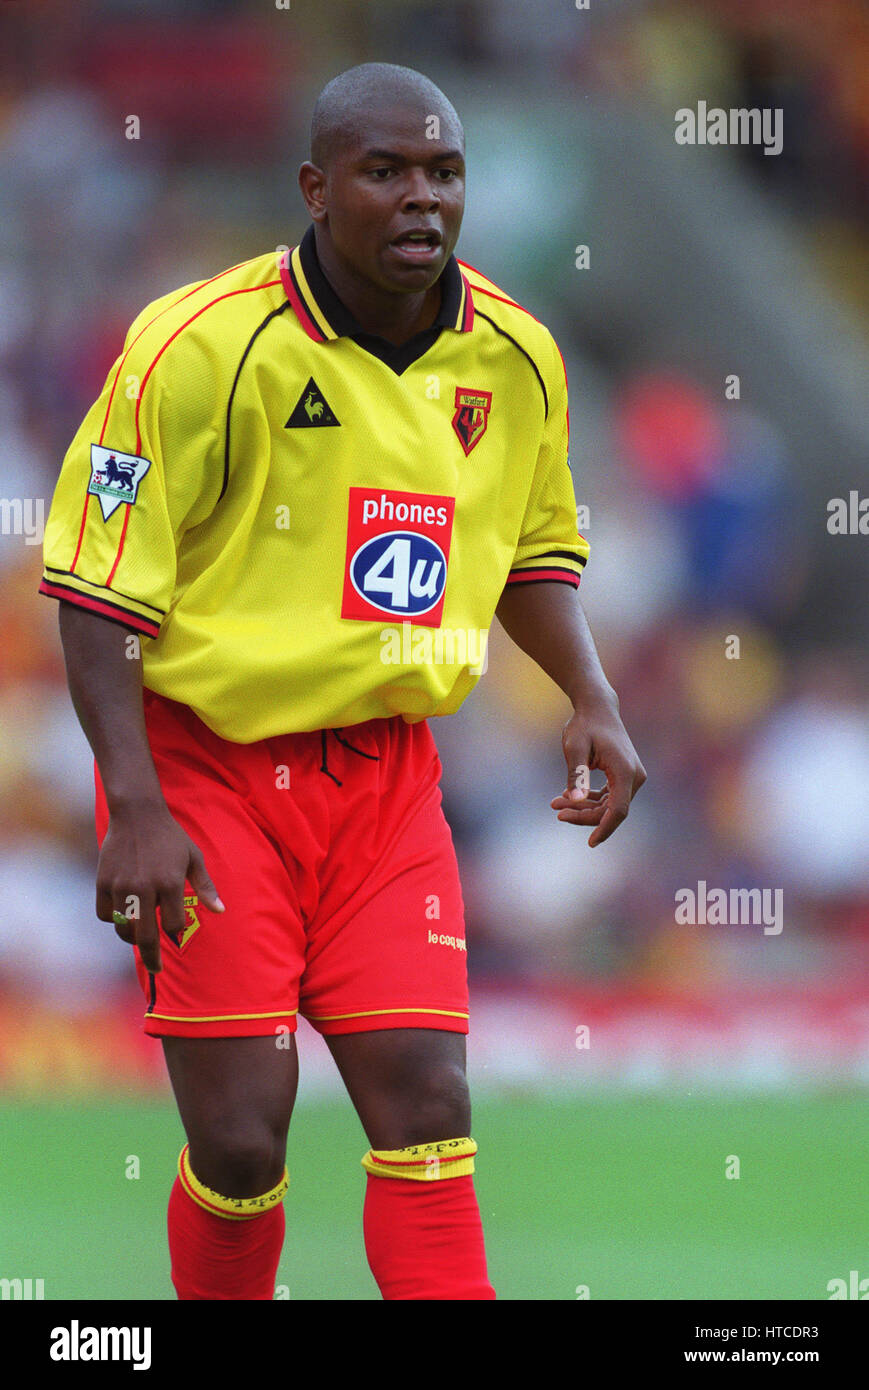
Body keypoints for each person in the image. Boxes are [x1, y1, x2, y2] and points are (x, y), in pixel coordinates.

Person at [39, 62, 646, 1301]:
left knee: (427, 1103)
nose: (422, 199)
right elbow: (96, 588)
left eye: (443, 173)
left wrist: (592, 695)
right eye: (386, 172)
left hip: (383, 784)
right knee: (243, 1135)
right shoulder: (197, 346)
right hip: (207, 771)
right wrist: (137, 805)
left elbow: (529, 546)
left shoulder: (517, 357)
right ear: (316, 190)